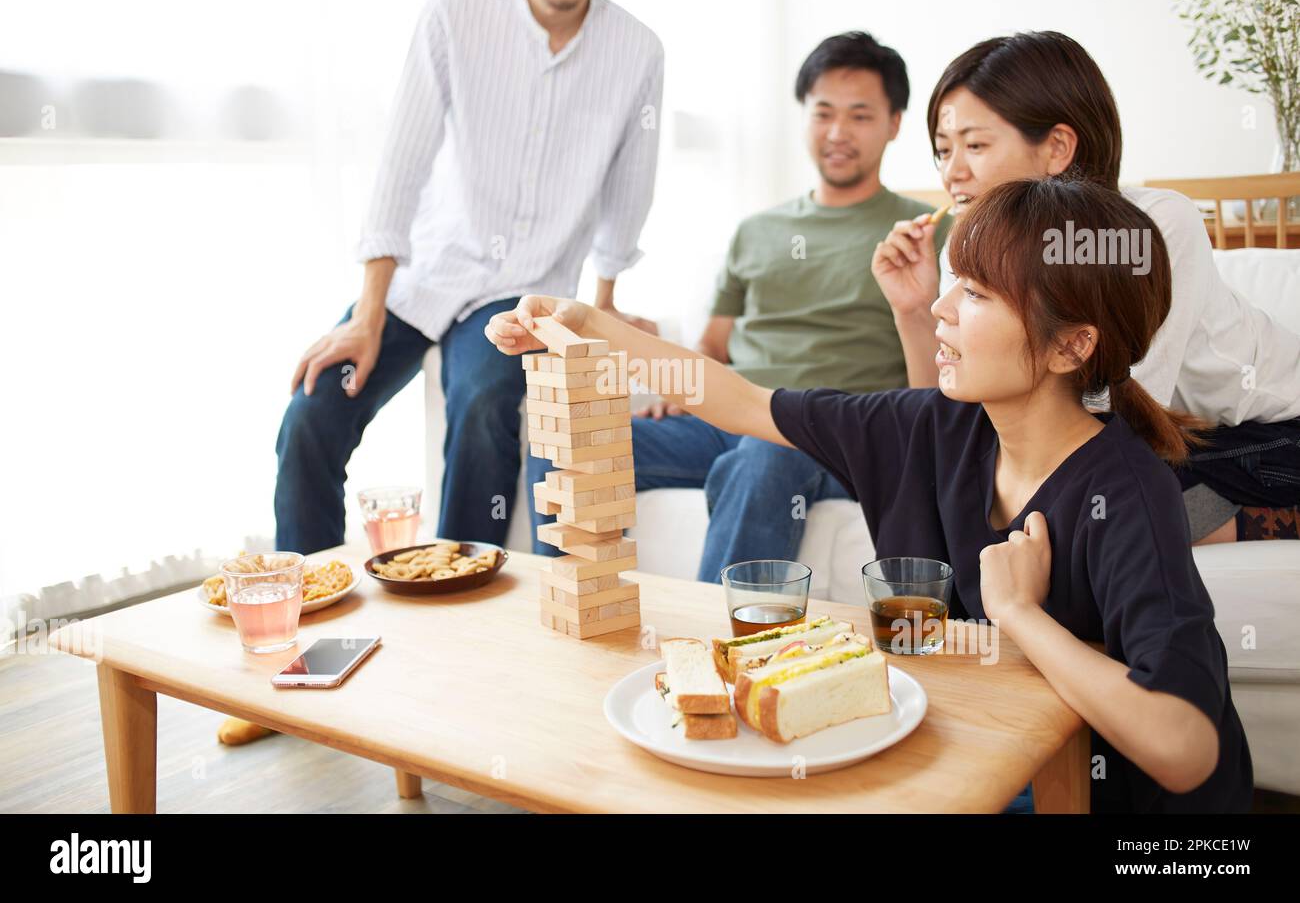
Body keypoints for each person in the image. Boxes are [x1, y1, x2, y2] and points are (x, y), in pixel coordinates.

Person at [486, 177, 1253, 813]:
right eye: (955, 283)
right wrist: (587, 321)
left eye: (978, 294)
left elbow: (1184, 749)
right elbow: (741, 401)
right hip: (1003, 761)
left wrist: (1019, 613)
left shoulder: (1128, 491)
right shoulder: (930, 427)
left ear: (1071, 344)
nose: (943, 309)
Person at [273, 0, 663, 559]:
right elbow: (400, 168)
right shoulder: (453, 16)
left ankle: (458, 587)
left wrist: (602, 308)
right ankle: (311, 593)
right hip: (420, 278)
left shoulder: (638, 50)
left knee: (484, 403)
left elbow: (629, 187)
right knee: (312, 413)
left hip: (520, 292)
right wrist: (367, 316)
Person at [871, 31, 1300, 545]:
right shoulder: (966, 247)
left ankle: (1263, 521)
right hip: (1140, 441)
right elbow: (947, 426)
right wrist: (914, 310)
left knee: (1107, 510)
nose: (952, 172)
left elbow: (1121, 422)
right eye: (942, 150)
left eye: (975, 145)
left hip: (1256, 434)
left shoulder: (1152, 228)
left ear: (1057, 148)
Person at [632, 32, 950, 582]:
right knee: (572, 439)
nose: (836, 133)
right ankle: (562, 626)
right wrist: (677, 387)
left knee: (764, 454)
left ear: (895, 123)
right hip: (730, 414)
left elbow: (938, 368)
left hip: (829, 432)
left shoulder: (921, 233)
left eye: (859, 116)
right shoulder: (756, 230)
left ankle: (719, 653)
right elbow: (713, 344)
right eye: (823, 113)